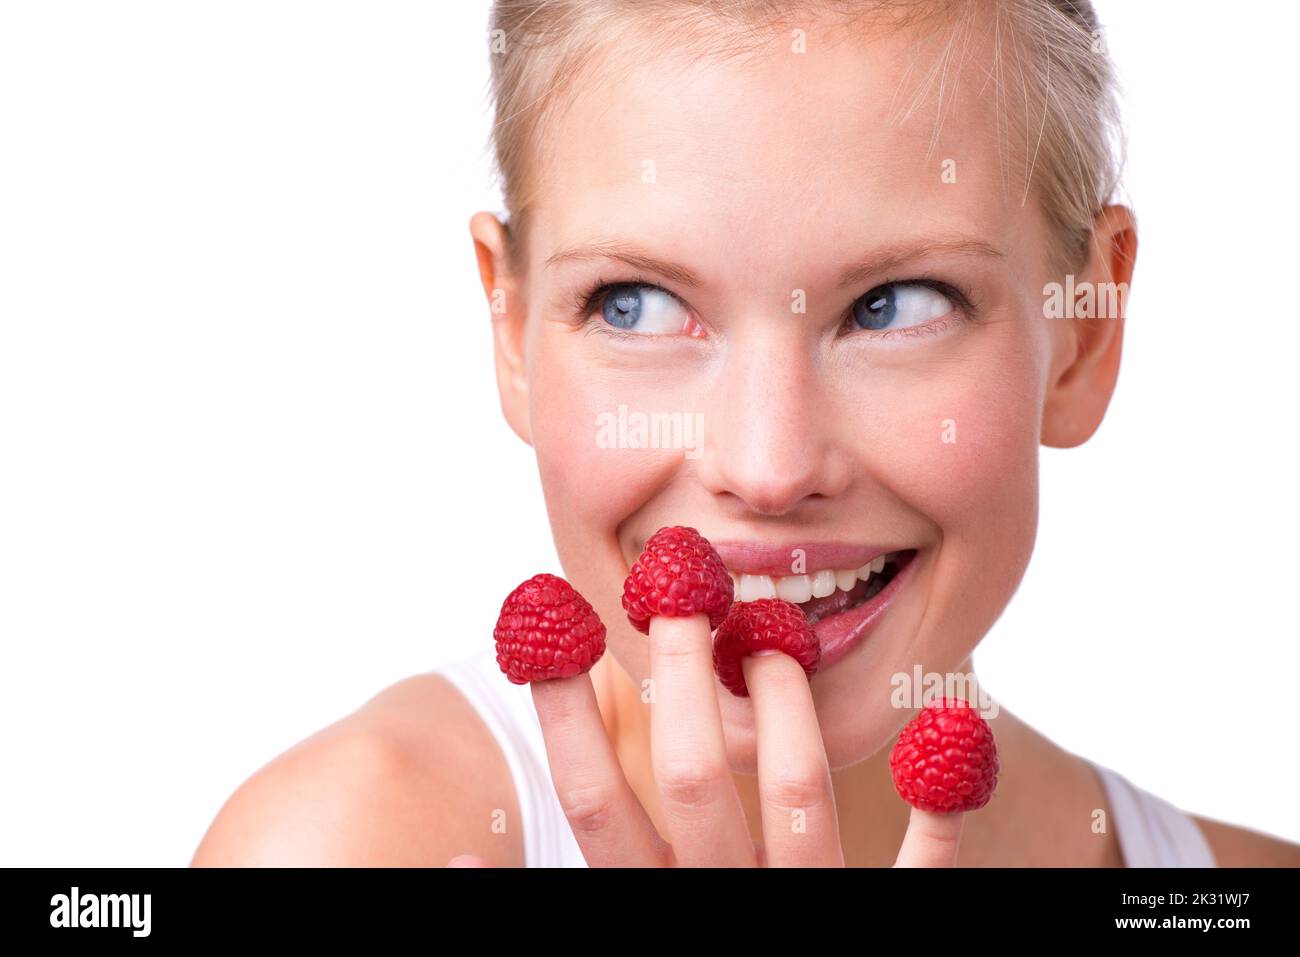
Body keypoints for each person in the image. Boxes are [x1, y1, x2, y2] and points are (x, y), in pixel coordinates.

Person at [191, 0, 1300, 867]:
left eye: (896, 304)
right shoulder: (345, 848)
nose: (768, 469)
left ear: (1082, 332)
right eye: (633, 303)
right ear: (512, 330)